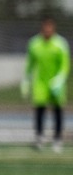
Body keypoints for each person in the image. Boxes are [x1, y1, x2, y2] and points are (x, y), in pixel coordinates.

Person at [26, 19, 69, 152]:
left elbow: (65, 65)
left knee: (57, 111)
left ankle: (57, 138)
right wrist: (26, 80)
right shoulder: (34, 43)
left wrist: (59, 80)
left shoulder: (60, 44)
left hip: (56, 84)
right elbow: (30, 64)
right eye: (45, 29)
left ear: (53, 29)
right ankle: (39, 137)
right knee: (40, 111)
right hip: (40, 83)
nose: (47, 32)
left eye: (50, 29)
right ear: (42, 29)